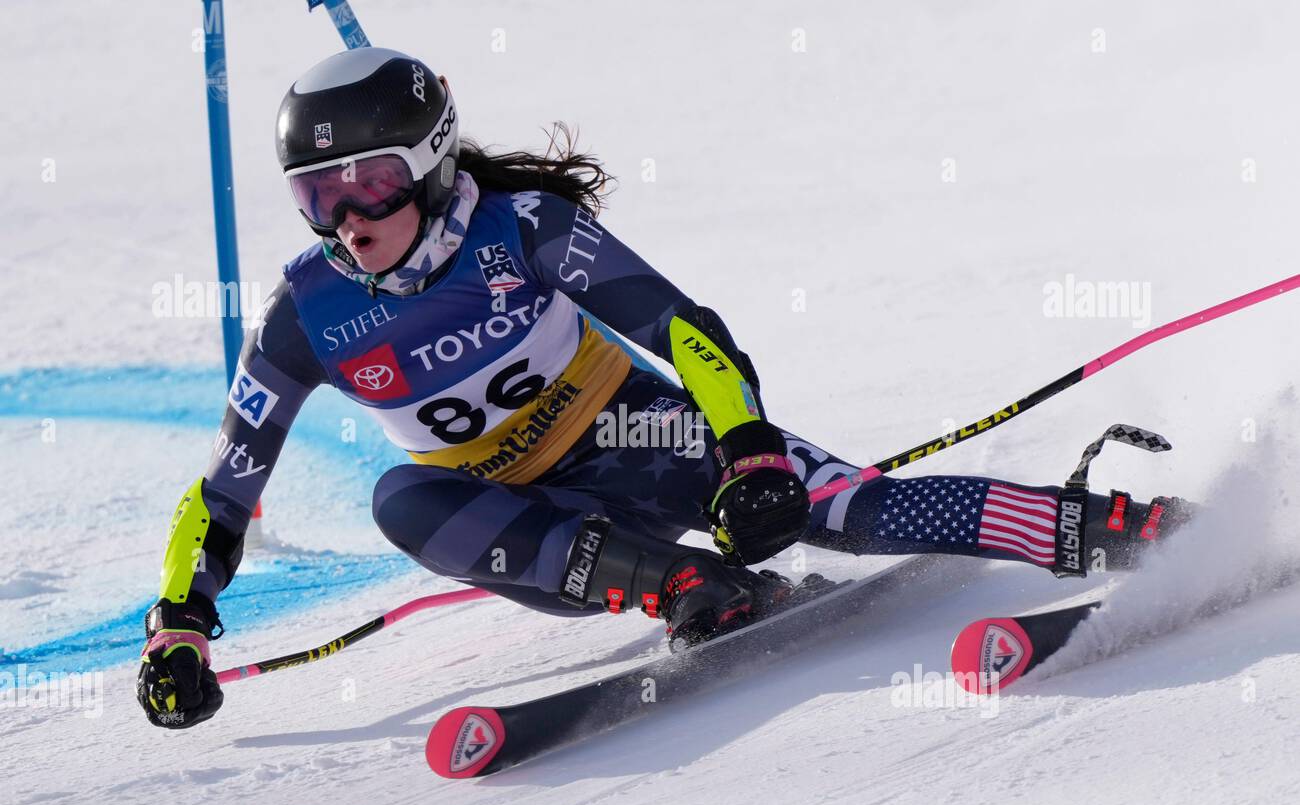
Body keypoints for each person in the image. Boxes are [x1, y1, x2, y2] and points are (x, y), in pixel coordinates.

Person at [137, 47, 1189, 729]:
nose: (345, 220)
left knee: (850, 508)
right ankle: (685, 587)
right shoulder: (306, 308)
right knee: (400, 497)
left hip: (638, 431)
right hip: (519, 510)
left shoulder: (519, 228)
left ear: (427, 162)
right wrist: (179, 619)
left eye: (365, 183)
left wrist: (749, 452)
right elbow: (224, 485)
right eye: (316, 194)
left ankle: (1108, 523)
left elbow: (686, 332)